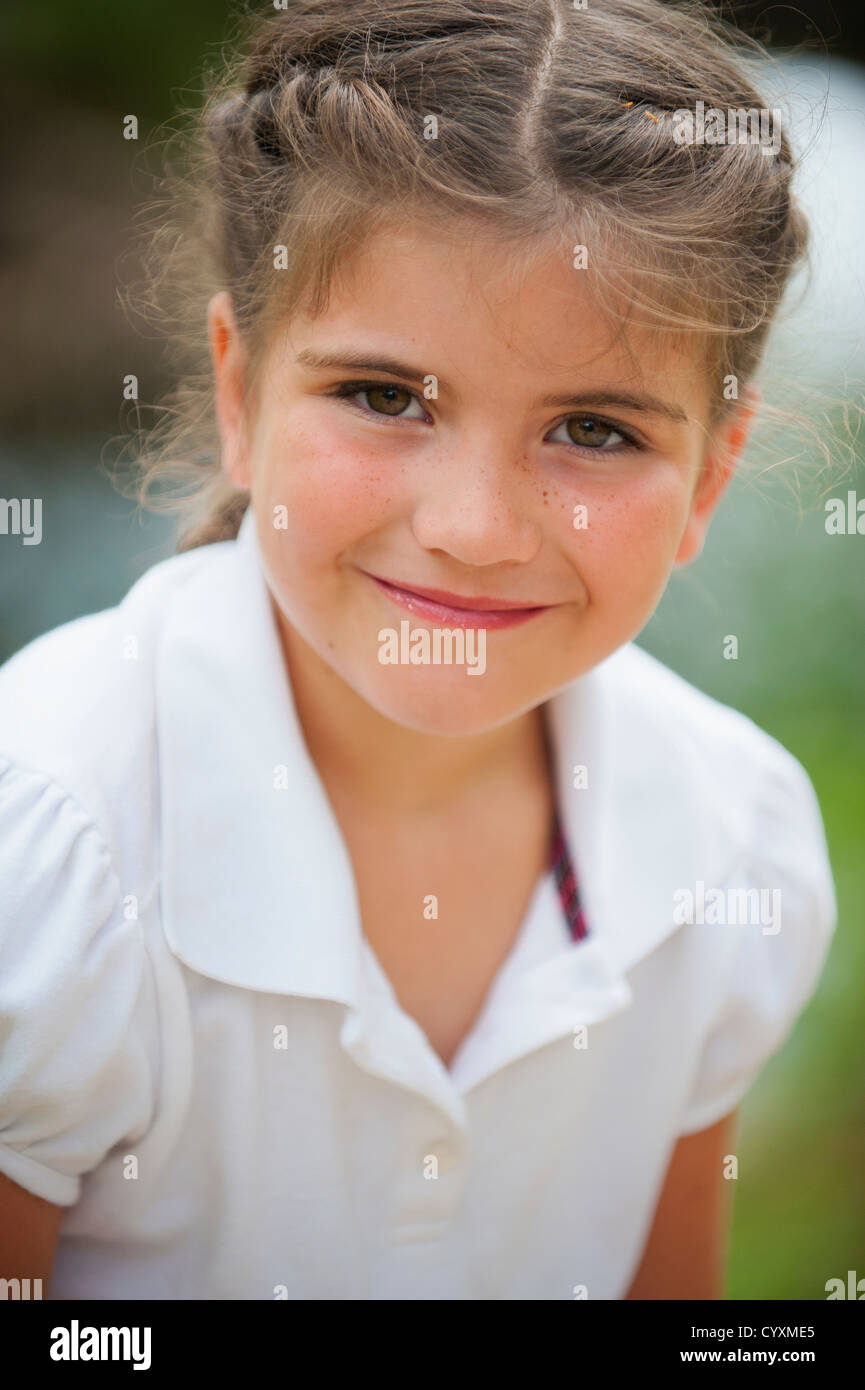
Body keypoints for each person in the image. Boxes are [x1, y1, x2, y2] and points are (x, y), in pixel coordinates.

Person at [0, 0, 836, 1300]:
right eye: (384, 398)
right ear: (239, 395)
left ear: (708, 482)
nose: (473, 528)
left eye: (596, 430)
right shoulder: (51, 841)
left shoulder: (731, 844)